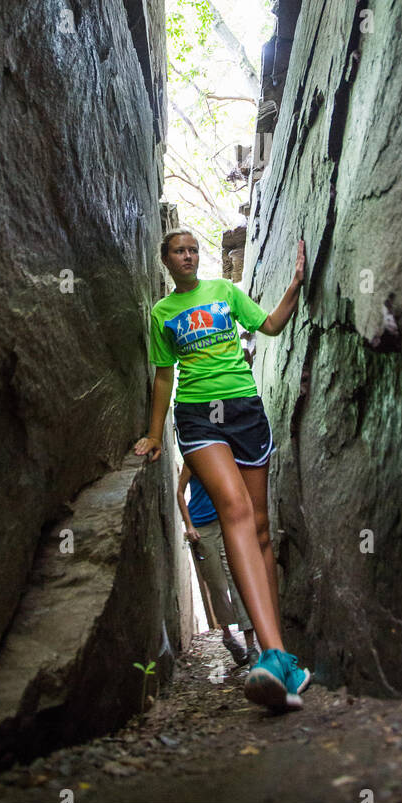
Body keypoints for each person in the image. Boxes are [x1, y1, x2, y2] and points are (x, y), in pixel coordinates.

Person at [133, 227, 311, 711]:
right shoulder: (162, 314)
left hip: (244, 409)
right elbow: (164, 376)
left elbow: (269, 327)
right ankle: (271, 656)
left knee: (259, 529)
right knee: (233, 509)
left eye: (193, 249)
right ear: (166, 261)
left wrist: (294, 286)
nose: (188, 256)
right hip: (197, 414)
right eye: (178, 251)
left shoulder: (226, 292)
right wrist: (153, 433)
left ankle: (283, 657)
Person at [177, 462, 256, 665]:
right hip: (202, 530)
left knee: (237, 580)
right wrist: (189, 525)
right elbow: (180, 492)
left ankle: (251, 646)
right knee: (217, 585)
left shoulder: (224, 451)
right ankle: (228, 635)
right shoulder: (192, 460)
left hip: (225, 523)